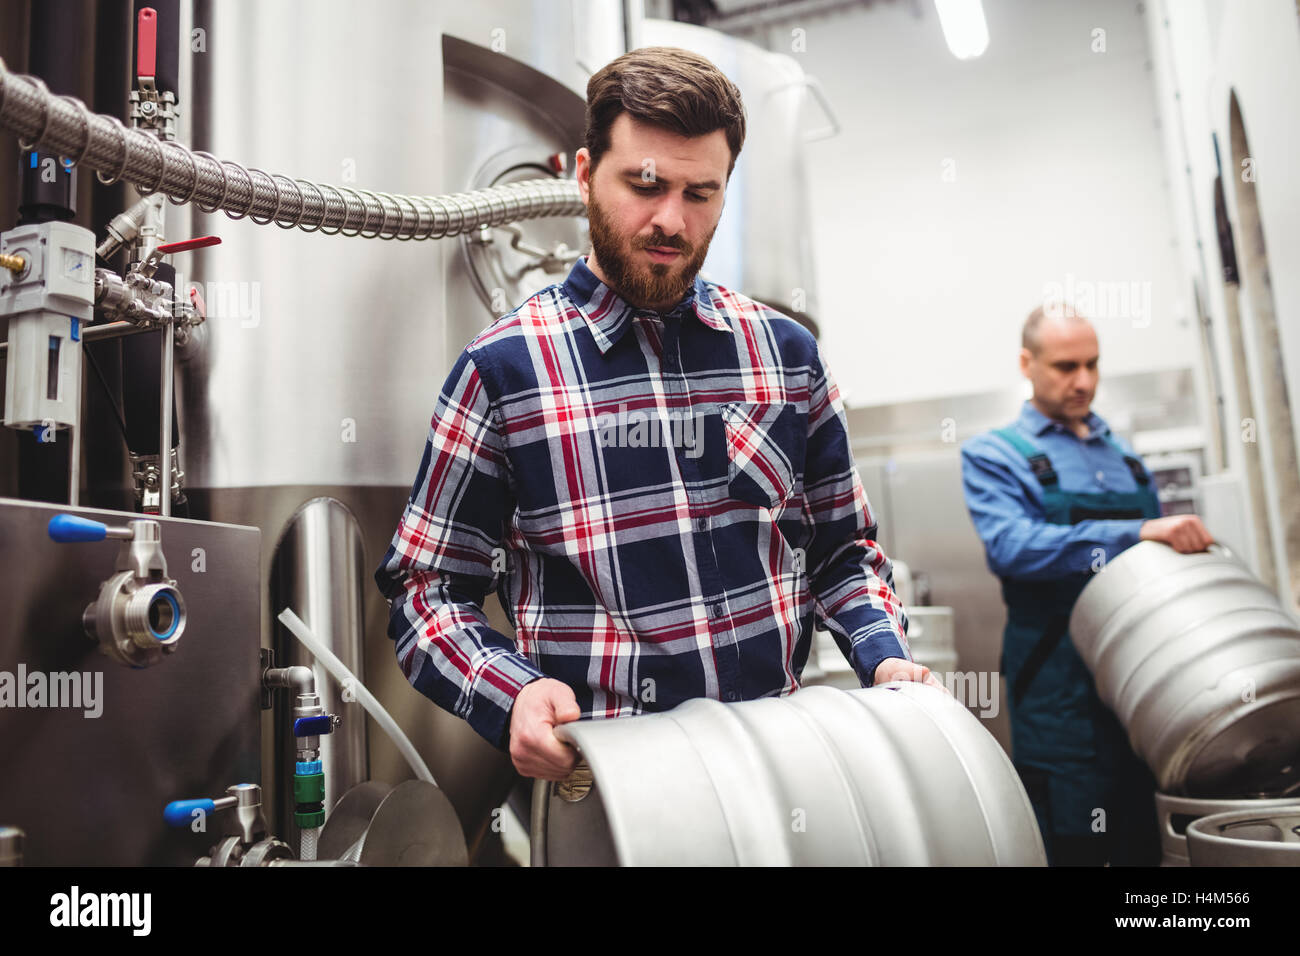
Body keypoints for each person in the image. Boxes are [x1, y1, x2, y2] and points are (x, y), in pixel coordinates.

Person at [375, 47, 935, 784]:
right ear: (583, 175)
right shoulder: (503, 371)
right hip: (608, 789)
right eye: (645, 184)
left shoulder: (786, 355)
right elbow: (427, 592)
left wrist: (883, 652)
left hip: (779, 771)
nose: (671, 219)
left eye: (700, 193)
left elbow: (841, 554)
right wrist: (510, 693)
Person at [961, 305, 1214, 865]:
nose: (1084, 381)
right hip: (1059, 695)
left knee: (1150, 842)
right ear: (1027, 364)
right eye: (1065, 366)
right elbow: (1013, 547)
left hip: (1145, 690)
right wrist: (1138, 530)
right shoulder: (995, 454)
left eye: (1093, 365)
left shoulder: (1122, 455)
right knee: (1077, 840)